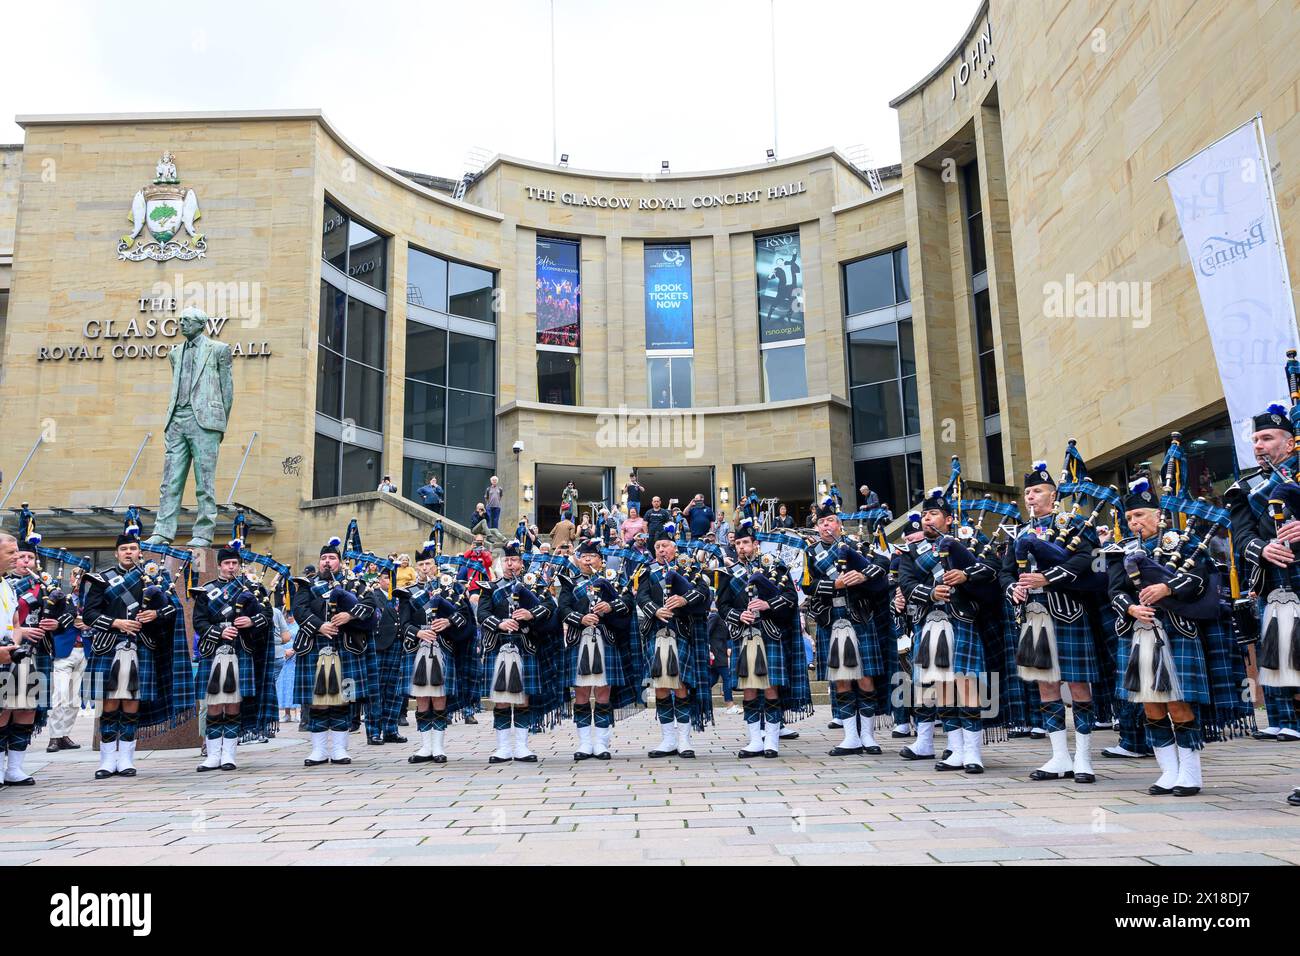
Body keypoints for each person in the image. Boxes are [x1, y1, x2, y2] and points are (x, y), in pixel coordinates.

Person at [1111, 478, 1217, 796]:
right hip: (1140, 632)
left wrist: (1167, 588)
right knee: (1151, 706)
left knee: (1178, 702)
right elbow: (1114, 592)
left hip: (1177, 629)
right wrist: (1130, 609)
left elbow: (1200, 578)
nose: (1134, 522)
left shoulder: (1183, 542)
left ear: (1159, 515)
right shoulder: (1122, 551)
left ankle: (1191, 773)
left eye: (1140, 515)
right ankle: (1168, 772)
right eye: (1130, 518)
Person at [1002, 463, 1104, 784]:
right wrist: (1013, 588)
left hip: (1068, 611)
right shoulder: (1020, 533)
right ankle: (1059, 755)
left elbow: (1087, 559)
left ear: (1053, 494)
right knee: (1046, 683)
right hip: (1033, 615)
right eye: (1028, 492)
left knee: (1076, 683)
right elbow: (1005, 570)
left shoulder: (1073, 524)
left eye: (1038, 491)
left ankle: (1084, 756)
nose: (1031, 497)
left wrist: (1047, 577)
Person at [1226, 401, 1300, 806]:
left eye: (1267, 438)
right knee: (1297, 685)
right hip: (1282, 590)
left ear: (1289, 443)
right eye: (1254, 439)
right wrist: (1263, 548)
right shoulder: (1245, 488)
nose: (1258, 445)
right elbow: (1240, 537)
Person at [899, 490, 1001, 773]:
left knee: (967, 685)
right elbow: (907, 586)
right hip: (932, 623)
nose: (927, 519)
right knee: (942, 686)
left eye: (933, 514)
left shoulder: (970, 542)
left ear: (948, 519)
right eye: (925, 515)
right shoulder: (911, 551)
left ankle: (973, 752)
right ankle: (955, 749)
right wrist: (932, 593)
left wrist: (966, 575)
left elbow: (993, 567)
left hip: (963, 620)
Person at [82, 528, 195, 779]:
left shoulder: (155, 579)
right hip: (109, 646)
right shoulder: (102, 579)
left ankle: (126, 759)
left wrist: (155, 614)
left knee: (132, 703)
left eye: (132, 548)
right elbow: (89, 614)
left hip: (141, 646)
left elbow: (172, 611)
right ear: (116, 553)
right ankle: (106, 759)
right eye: (124, 549)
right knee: (110, 703)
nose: (128, 553)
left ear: (139, 552)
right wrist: (116, 623)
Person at [806, 504, 888, 758]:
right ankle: (850, 736)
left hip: (859, 615)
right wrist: (835, 584)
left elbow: (882, 567)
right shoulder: (811, 552)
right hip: (833, 618)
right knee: (842, 678)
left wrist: (863, 577)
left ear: (839, 524)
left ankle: (868, 735)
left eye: (831, 521)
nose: (826, 526)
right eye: (822, 523)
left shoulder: (857, 546)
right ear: (817, 527)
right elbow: (807, 586)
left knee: (865, 677)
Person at [718, 520, 803, 758]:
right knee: (749, 688)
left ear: (756, 544)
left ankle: (772, 741)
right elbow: (722, 606)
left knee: (771, 686)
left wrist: (767, 604)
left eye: (746, 542)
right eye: (738, 543)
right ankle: (755, 740)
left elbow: (790, 598)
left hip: (770, 632)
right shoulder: (728, 573)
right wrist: (738, 615)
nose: (742, 547)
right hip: (744, 635)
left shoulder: (774, 567)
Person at [290, 538, 375, 767]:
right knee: (317, 699)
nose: (327, 562)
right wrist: (319, 625)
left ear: (340, 562)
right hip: (315, 647)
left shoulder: (353, 584)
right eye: (324, 558)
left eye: (332, 559)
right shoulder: (306, 584)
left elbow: (370, 604)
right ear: (319, 562)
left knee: (342, 699)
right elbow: (299, 610)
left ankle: (339, 749)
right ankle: (318, 750)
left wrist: (350, 615)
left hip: (344, 646)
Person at [192, 541, 274, 772]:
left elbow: (266, 615)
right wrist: (218, 631)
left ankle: (229, 754)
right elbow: (199, 621)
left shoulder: (253, 589)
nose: (231, 567)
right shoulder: (206, 590)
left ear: (240, 565)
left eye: (234, 563)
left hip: (242, 650)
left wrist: (250, 621)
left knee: (234, 703)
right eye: (227, 563)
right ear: (219, 566)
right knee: (215, 703)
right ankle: (212, 754)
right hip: (215, 652)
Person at [559, 539, 640, 760]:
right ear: (578, 560)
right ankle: (585, 743)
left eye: (592, 556)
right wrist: (581, 618)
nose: (587, 560)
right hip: (579, 639)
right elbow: (563, 608)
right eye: (584, 557)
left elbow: (628, 604)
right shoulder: (569, 581)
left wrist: (610, 606)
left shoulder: (611, 581)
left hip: (606, 639)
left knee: (604, 692)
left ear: (601, 560)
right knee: (582, 692)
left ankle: (602, 743)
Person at [477, 540, 558, 763]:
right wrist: (499, 624)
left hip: (526, 645)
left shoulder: (533, 585)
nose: (510, 564)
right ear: (501, 563)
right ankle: (502, 748)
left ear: (522, 563)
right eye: (506, 560)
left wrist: (531, 615)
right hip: (500, 645)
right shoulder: (490, 588)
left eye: (514, 560)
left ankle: (522, 747)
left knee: (523, 698)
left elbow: (551, 607)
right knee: (501, 698)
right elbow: (482, 614)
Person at [637, 529, 713, 758]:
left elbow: (703, 591)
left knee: (681, 684)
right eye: (658, 546)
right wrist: (655, 610)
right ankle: (668, 739)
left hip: (682, 631)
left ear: (675, 547)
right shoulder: (647, 571)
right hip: (657, 631)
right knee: (660, 685)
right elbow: (641, 597)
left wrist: (683, 599)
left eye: (665, 545)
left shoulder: (688, 568)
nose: (661, 549)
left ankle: (684, 739)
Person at [402, 541, 477, 763]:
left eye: (429, 564)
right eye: (421, 564)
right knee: (423, 696)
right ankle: (425, 747)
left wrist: (448, 621)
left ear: (436, 566)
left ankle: (439, 747)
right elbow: (404, 624)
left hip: (444, 647)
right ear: (417, 568)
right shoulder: (407, 593)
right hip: (419, 648)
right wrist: (418, 633)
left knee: (440, 695)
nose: (425, 568)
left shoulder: (451, 588)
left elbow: (465, 616)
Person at [1, 535, 59, 782]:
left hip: (14, 654)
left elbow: (14, 621)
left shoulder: (6, 585)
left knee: (25, 708)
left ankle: (14, 769)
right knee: (1, 712)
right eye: (11, 552)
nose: (17, 556)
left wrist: (15, 643)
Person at [707, 608, 738, 714]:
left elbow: (728, 637)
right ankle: (730, 705)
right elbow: (707, 632)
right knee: (727, 678)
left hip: (722, 653)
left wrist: (729, 647)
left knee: (713, 680)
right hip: (716, 654)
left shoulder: (726, 619)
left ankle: (694, 698)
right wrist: (708, 650)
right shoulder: (715, 616)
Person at [274, 605, 298, 723]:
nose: (288, 617)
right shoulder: (282, 626)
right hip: (283, 658)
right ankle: (287, 713)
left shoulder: (298, 625)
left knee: (294, 685)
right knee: (284, 686)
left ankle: (297, 712)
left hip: (294, 659)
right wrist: (284, 652)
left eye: (290, 614)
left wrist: (293, 651)